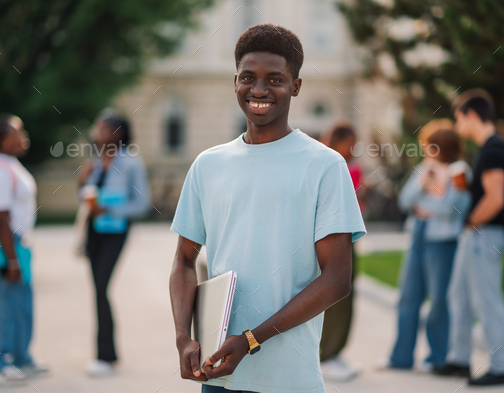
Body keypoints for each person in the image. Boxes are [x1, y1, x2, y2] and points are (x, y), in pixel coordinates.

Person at [169, 24, 366, 393]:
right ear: (235, 82)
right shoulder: (208, 165)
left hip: (290, 379)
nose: (258, 90)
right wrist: (184, 336)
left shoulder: (324, 165)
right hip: (219, 376)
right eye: (248, 77)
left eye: (274, 79)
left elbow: (337, 278)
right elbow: (183, 260)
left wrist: (251, 340)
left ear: (296, 86)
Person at [434, 90, 504, 386]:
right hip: (477, 235)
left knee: (487, 301)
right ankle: (460, 359)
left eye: (458, 118)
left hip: (485, 234)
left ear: (470, 115)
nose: (457, 127)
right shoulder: (489, 149)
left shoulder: (494, 150)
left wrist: (470, 221)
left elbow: (495, 199)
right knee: (460, 297)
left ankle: (499, 367)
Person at [380, 121, 471, 372]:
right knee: (408, 298)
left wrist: (424, 207)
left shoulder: (460, 171)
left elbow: (455, 208)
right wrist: (424, 186)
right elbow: (404, 201)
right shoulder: (425, 168)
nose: (426, 152)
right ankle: (401, 358)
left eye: (430, 147)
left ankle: (437, 358)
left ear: (441, 147)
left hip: (442, 242)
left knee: (439, 301)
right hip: (418, 237)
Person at [0, 115, 47, 386]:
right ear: (3, 139)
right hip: (0, 238)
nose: (24, 136)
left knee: (20, 297)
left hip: (16, 239)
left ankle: (18, 358)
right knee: (1, 297)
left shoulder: (9, 163)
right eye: (19, 131)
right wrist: (11, 259)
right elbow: (0, 217)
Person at [78, 113, 152, 376]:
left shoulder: (132, 163)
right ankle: (106, 355)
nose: (96, 132)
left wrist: (107, 208)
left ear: (118, 133)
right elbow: (86, 197)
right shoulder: (96, 162)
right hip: (93, 232)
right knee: (97, 290)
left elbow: (142, 204)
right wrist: (82, 182)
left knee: (101, 288)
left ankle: (105, 356)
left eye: (102, 128)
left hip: (116, 233)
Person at [318, 121, 363, 381]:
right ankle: (325, 354)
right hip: (333, 239)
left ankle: (333, 353)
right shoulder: (331, 164)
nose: (354, 147)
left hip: (346, 236)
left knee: (346, 294)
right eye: (352, 141)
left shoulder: (341, 164)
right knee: (336, 296)